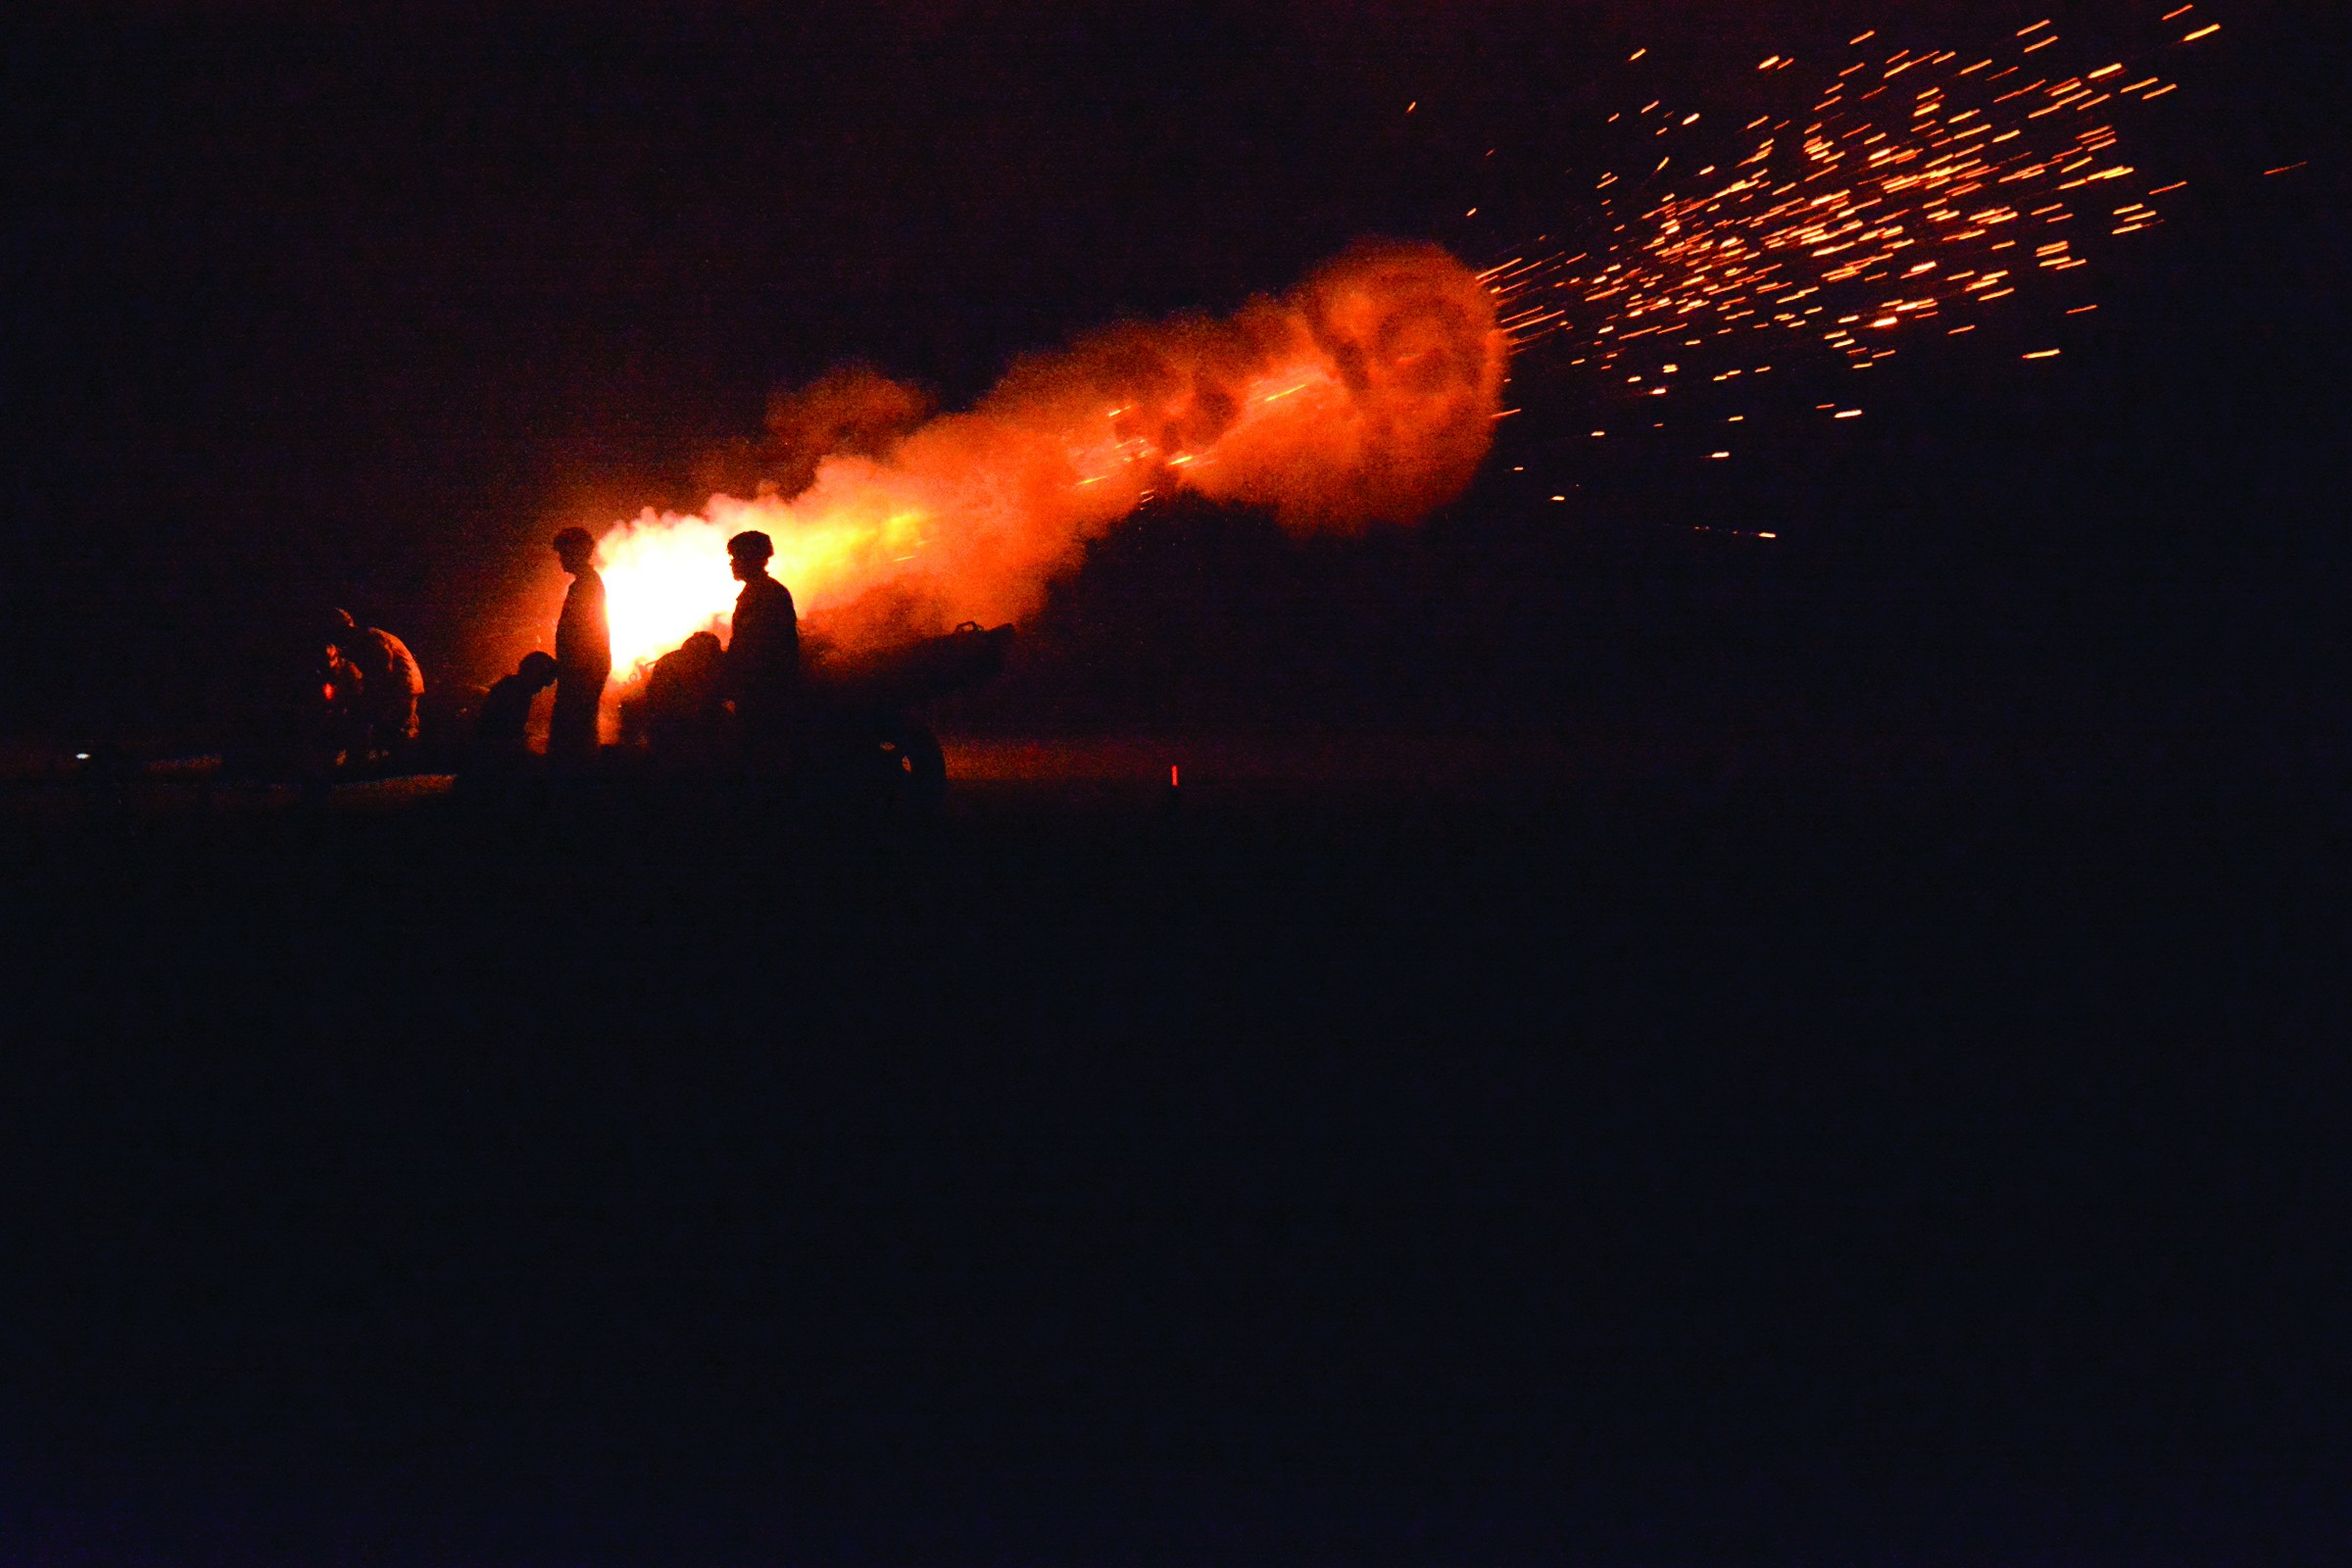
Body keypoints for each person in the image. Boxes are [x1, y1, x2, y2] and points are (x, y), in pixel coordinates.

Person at [724, 529, 800, 768]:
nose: (732, 563)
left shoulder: (767, 596)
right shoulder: (762, 593)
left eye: (737, 557)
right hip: (760, 697)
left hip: (765, 699)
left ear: (751, 558)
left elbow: (758, 650)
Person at [326, 609, 425, 767]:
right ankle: (400, 758)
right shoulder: (363, 640)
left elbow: (383, 667)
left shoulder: (370, 638)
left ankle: (403, 761)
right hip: (403, 683)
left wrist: (367, 694)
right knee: (396, 722)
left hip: (402, 684)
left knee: (394, 722)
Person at [550, 526, 611, 762]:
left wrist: (570, 664)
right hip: (586, 667)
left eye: (564, 553)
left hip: (582, 668)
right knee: (581, 726)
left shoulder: (585, 585)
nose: (561, 560)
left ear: (578, 551)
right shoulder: (588, 583)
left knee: (573, 729)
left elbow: (582, 632)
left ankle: (574, 779)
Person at [640, 630, 726, 768]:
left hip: (661, 733)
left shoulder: (667, 660)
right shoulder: (705, 663)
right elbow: (709, 697)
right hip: (688, 733)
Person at [474, 651, 560, 756]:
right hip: (492, 752)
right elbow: (507, 734)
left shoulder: (513, 687)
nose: (541, 688)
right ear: (535, 674)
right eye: (541, 683)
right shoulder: (515, 693)